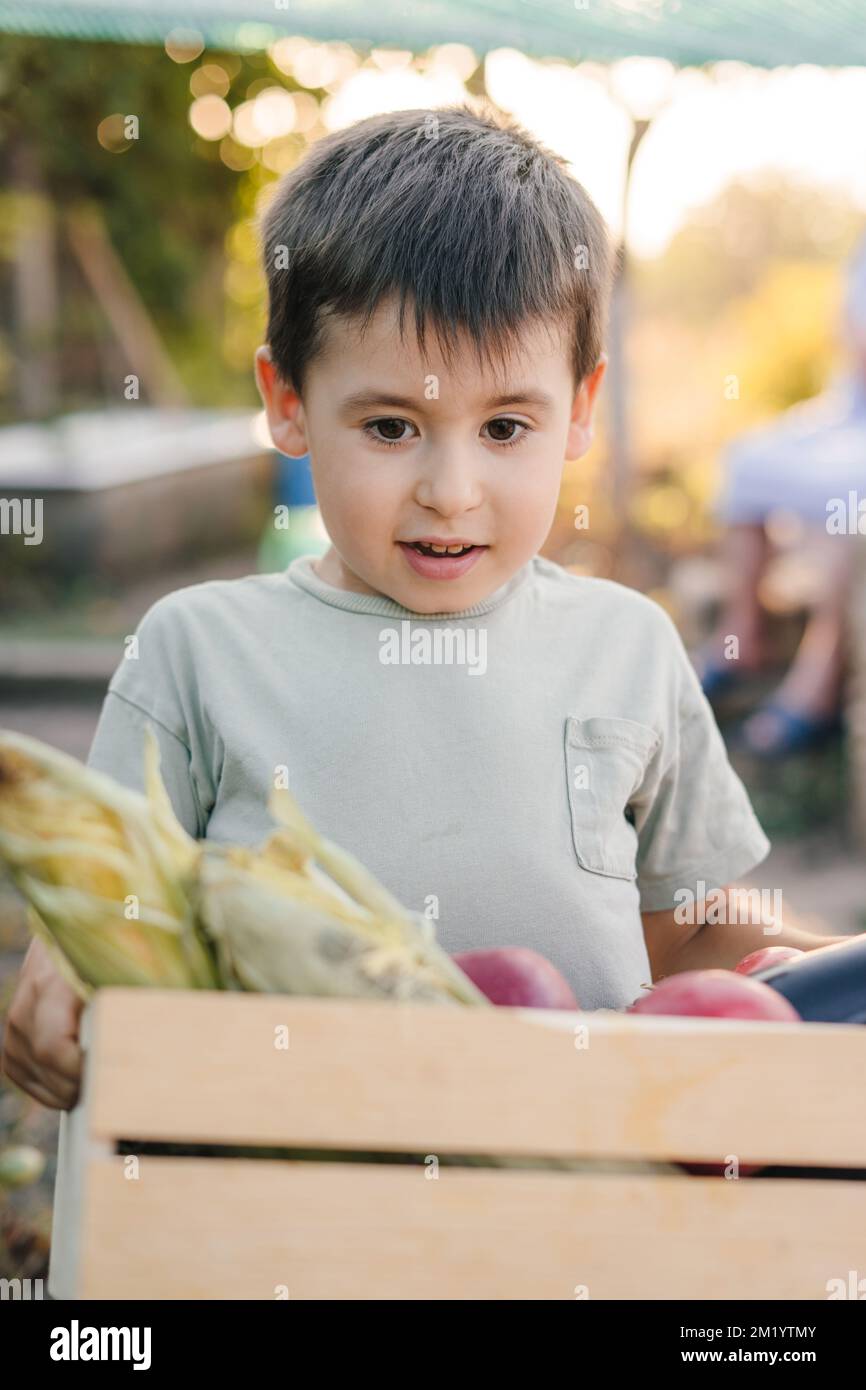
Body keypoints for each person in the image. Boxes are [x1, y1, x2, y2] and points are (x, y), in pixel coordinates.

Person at [3, 106, 844, 1116]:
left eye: (503, 426)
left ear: (579, 408)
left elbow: (694, 926)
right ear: (286, 401)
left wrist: (828, 956)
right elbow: (111, 897)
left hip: (567, 1202)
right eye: (392, 425)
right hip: (278, 1206)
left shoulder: (626, 647)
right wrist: (63, 959)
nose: (451, 489)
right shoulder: (198, 651)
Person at [698, 234, 866, 756]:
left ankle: (816, 685)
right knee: (746, 460)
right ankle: (742, 633)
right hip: (848, 410)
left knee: (851, 503)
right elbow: (849, 341)